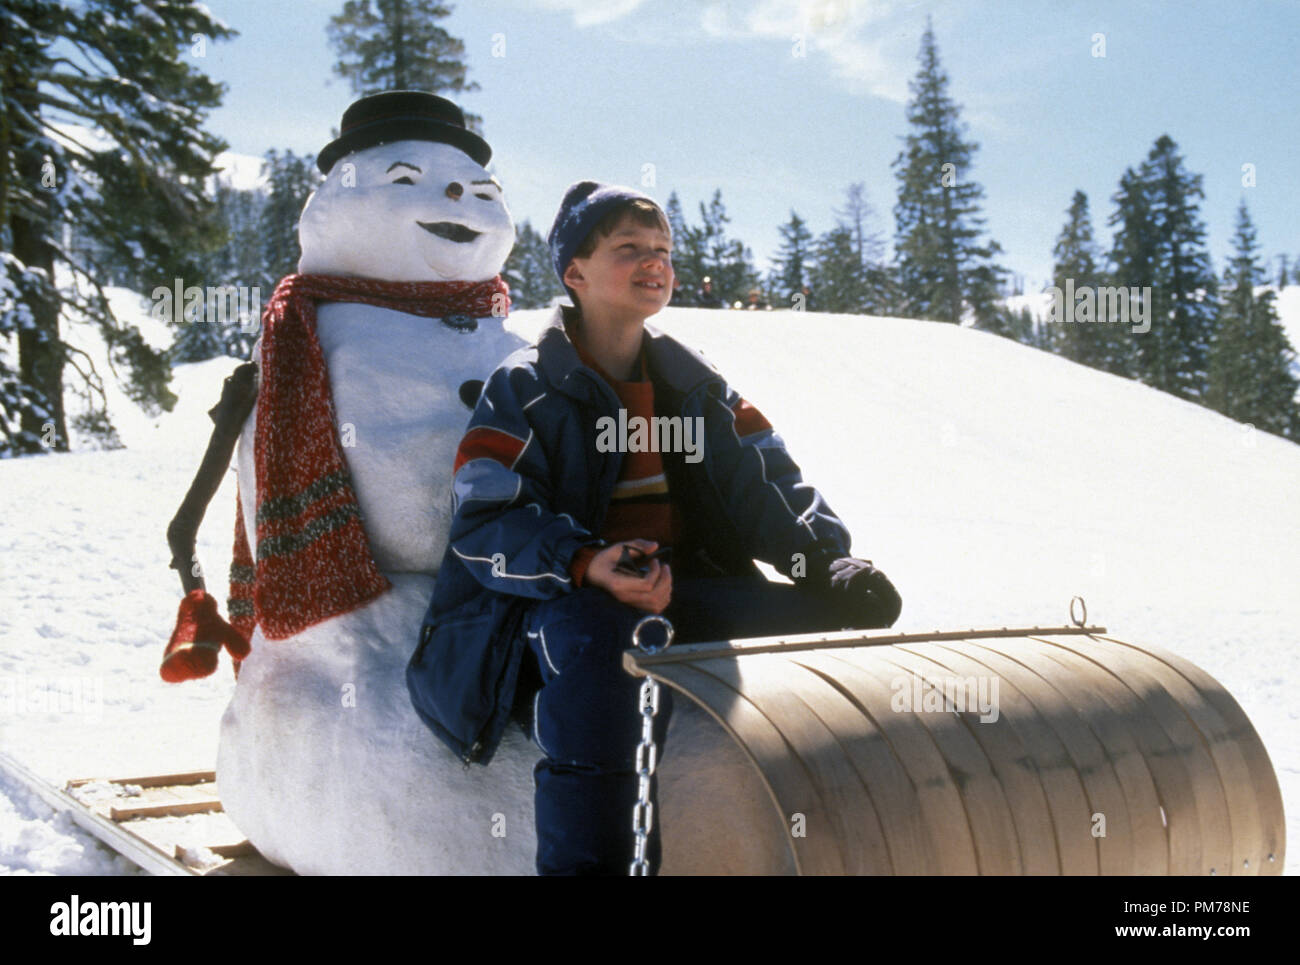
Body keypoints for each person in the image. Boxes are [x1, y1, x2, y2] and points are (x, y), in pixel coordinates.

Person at [407, 181, 902, 876]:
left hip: (676, 591)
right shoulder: (527, 385)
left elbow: (765, 482)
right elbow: (487, 518)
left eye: (663, 250)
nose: (654, 263)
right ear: (574, 273)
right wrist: (585, 561)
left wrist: (827, 563)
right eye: (629, 248)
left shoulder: (693, 388)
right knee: (606, 645)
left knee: (839, 623)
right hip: (546, 609)